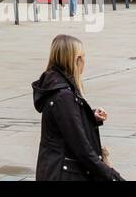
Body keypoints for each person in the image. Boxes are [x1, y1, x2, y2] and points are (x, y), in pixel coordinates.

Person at [31, 34, 123, 181]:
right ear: (74, 60)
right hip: (62, 174)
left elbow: (66, 123)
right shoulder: (63, 96)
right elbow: (82, 148)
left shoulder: (58, 86)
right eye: (82, 57)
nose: (84, 61)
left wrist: (90, 116)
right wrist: (112, 176)